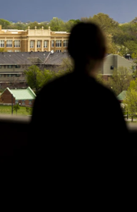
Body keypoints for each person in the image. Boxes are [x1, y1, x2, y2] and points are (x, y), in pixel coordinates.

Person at [29, 22, 128, 207]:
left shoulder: (48, 94)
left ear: (69, 50)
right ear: (102, 53)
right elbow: (120, 155)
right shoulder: (104, 100)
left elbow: (36, 149)